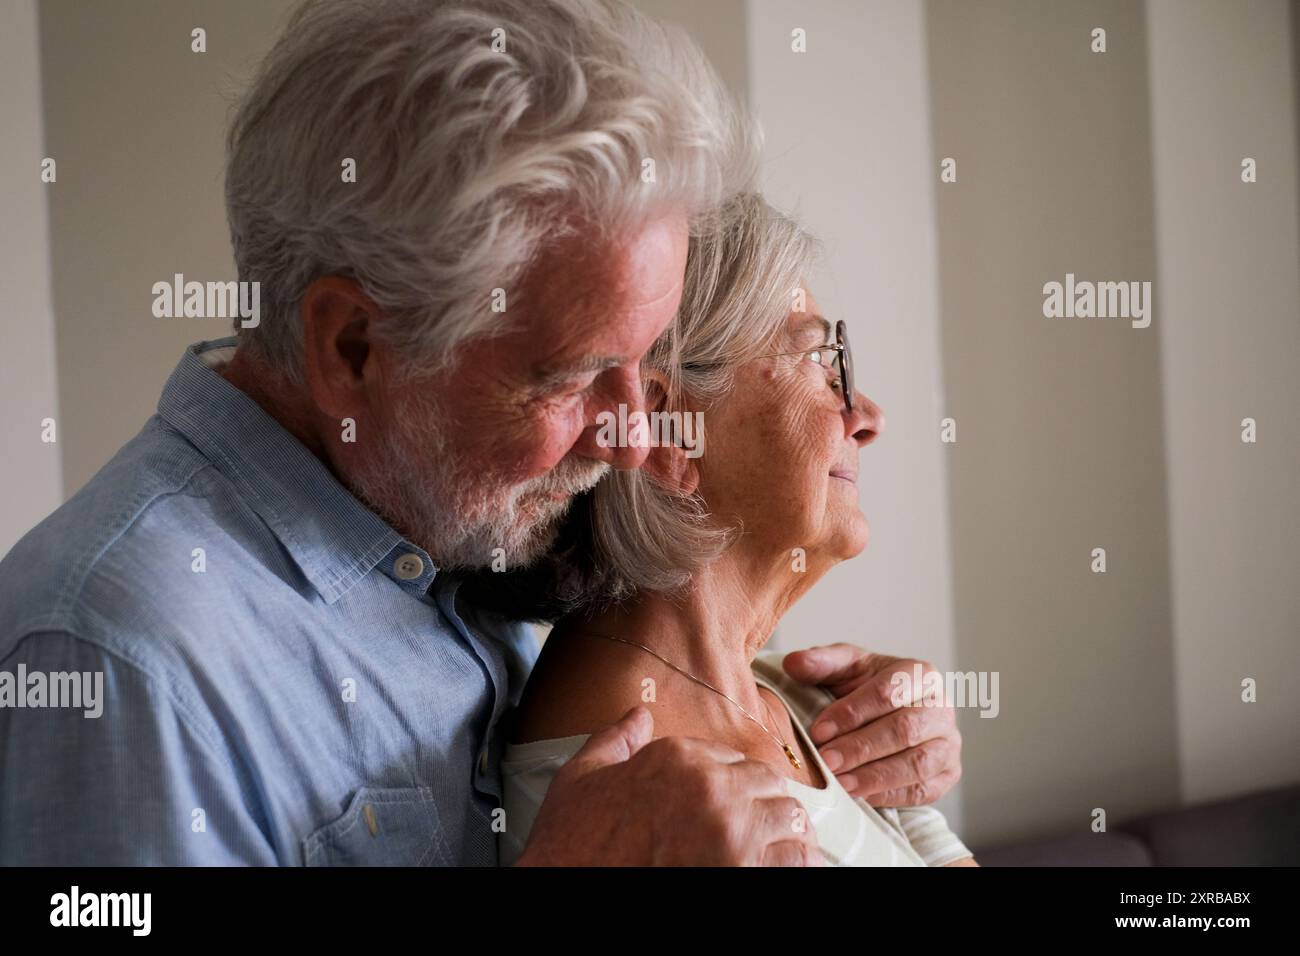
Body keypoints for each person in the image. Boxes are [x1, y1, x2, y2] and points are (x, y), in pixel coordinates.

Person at [0, 0, 962, 866]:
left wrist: (873, 757)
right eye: (579, 375)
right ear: (353, 347)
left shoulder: (450, 517)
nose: (634, 436)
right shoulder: (115, 663)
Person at [492, 194, 977, 866]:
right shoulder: (651, 812)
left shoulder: (801, 704)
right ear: (667, 435)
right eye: (821, 360)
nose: (866, 415)